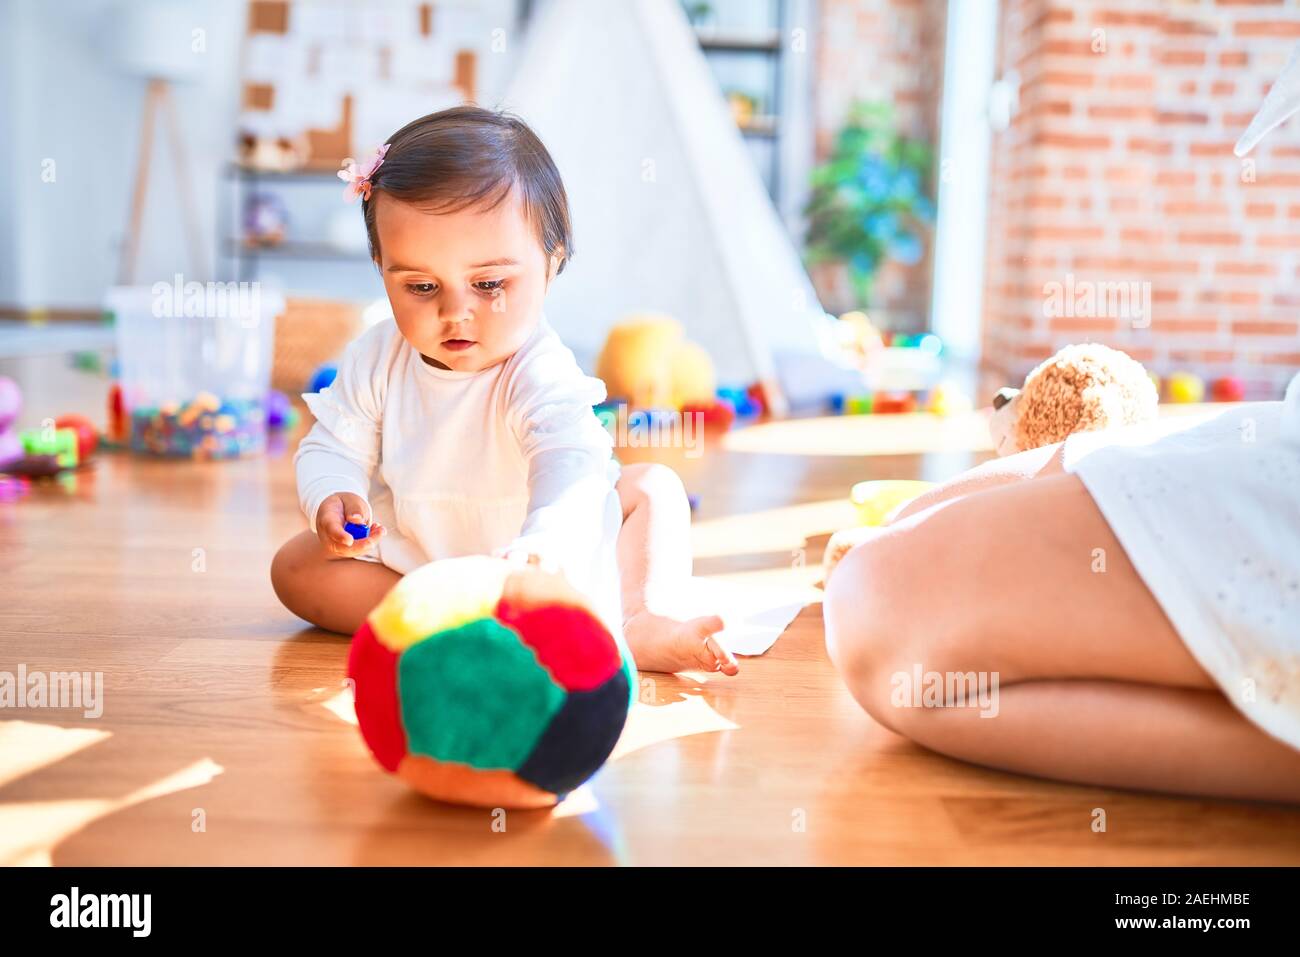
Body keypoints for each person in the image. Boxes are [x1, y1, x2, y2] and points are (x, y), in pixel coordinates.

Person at [271, 106, 737, 677]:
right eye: (420, 285)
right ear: (381, 265)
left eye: (489, 284)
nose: (455, 311)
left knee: (654, 488)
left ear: (551, 263)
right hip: (422, 560)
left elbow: (570, 465)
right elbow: (330, 446)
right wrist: (334, 495)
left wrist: (543, 545)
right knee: (295, 568)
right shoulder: (377, 356)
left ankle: (634, 620)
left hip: (545, 564)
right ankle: (450, 618)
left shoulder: (537, 369)